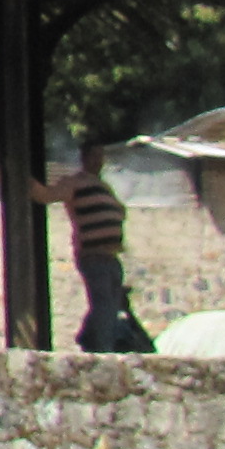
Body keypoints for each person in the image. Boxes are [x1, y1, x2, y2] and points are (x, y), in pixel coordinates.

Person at [31, 139, 151, 354]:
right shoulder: (75, 183)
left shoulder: (104, 186)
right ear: (84, 158)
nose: (98, 160)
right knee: (104, 304)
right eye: (94, 156)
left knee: (111, 306)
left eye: (100, 156)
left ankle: (88, 337)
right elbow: (46, 195)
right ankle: (101, 349)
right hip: (93, 255)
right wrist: (23, 178)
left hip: (111, 256)